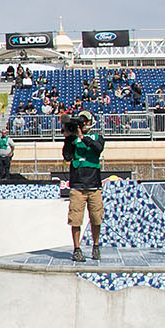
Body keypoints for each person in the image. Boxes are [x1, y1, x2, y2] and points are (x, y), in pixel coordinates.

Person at [62, 111, 105, 261]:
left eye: (85, 122)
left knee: (96, 218)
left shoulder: (97, 137)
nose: (82, 124)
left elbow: (97, 149)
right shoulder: (73, 139)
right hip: (77, 186)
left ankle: (96, 245)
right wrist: (68, 139)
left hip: (94, 185)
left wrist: (82, 137)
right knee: (75, 219)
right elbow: (67, 156)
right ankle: (77, 248)